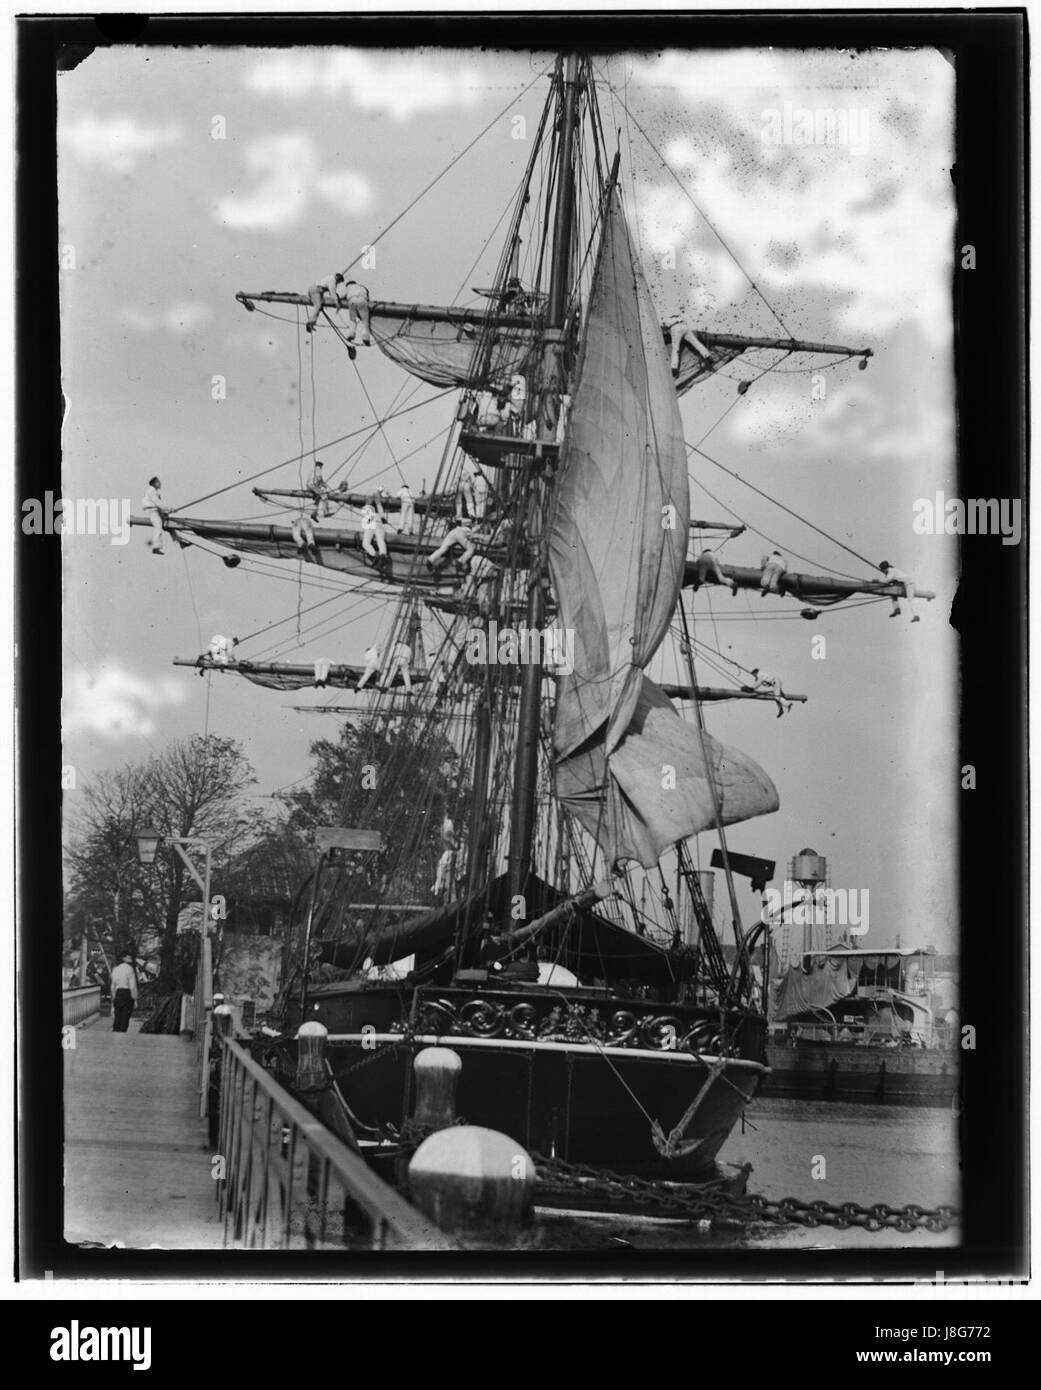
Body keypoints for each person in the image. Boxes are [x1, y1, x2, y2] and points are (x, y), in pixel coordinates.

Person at [665, 311, 716, 376]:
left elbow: (666, 330)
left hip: (675, 328)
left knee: (675, 349)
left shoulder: (667, 319)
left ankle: (674, 369)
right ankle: (708, 356)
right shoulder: (680, 316)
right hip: (684, 326)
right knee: (696, 343)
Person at [110, 952, 139, 1033]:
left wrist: (114, 997)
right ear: (123, 958)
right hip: (127, 993)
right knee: (125, 1017)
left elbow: (113, 986)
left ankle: (115, 1034)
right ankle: (122, 1034)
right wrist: (135, 999)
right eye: (128, 956)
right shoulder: (129, 969)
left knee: (117, 1016)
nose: (130, 958)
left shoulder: (115, 969)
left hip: (118, 993)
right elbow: (132, 985)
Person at [360, 500, 389, 567]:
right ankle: (383, 555)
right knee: (380, 540)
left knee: (365, 543)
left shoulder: (367, 512)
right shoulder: (379, 514)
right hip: (378, 523)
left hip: (370, 524)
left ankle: (374, 555)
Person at [142, 476, 166, 555]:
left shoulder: (154, 491)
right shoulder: (151, 491)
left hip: (155, 509)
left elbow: (159, 505)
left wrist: (164, 511)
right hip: (152, 510)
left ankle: (178, 541)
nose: (160, 483)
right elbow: (158, 503)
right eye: (159, 482)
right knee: (158, 526)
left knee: (166, 523)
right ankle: (156, 547)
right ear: (155, 483)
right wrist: (168, 508)